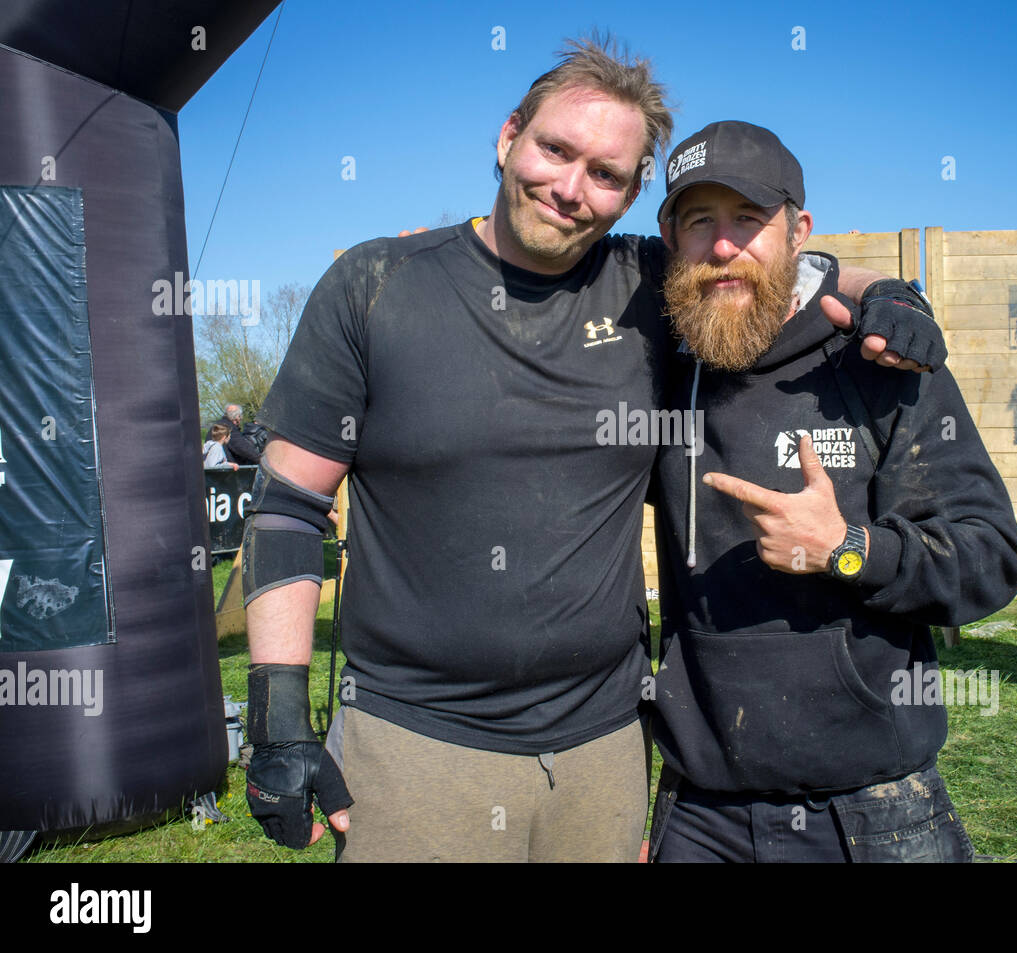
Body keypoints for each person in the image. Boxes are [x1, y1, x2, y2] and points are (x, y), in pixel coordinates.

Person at [242, 37, 945, 863]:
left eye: (605, 174)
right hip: (418, 742)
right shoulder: (377, 285)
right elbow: (289, 505)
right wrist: (277, 718)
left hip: (603, 750)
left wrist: (884, 290)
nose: (570, 189)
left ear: (635, 192)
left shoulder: (650, 286)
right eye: (554, 150)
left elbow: (774, 259)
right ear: (509, 137)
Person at [646, 121, 1017, 862]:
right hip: (697, 813)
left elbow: (992, 558)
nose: (723, 246)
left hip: (869, 815)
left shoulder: (883, 363)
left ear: (799, 231)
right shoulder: (657, 368)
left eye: (748, 220)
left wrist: (847, 550)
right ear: (671, 237)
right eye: (700, 221)